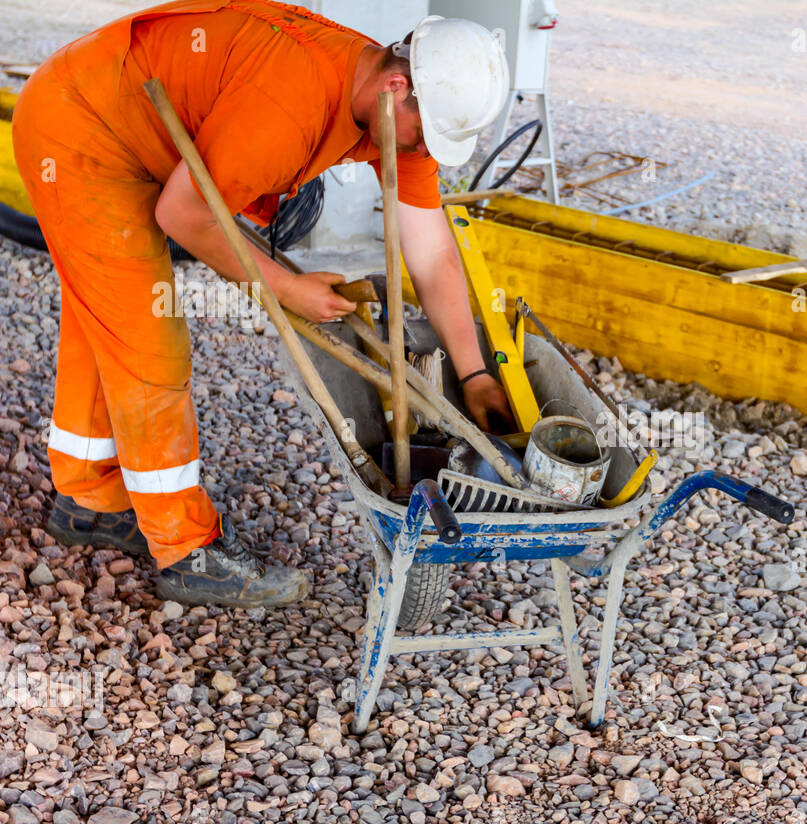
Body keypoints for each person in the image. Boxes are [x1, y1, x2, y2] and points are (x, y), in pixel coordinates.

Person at [12, 1, 515, 606]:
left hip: (126, 120)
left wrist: (476, 373)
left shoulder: (393, 106)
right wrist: (284, 287)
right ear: (397, 85)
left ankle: (88, 499)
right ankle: (186, 550)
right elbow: (185, 215)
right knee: (147, 342)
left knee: (104, 315)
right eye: (425, 134)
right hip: (82, 128)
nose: (422, 149)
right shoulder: (292, 99)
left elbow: (432, 254)